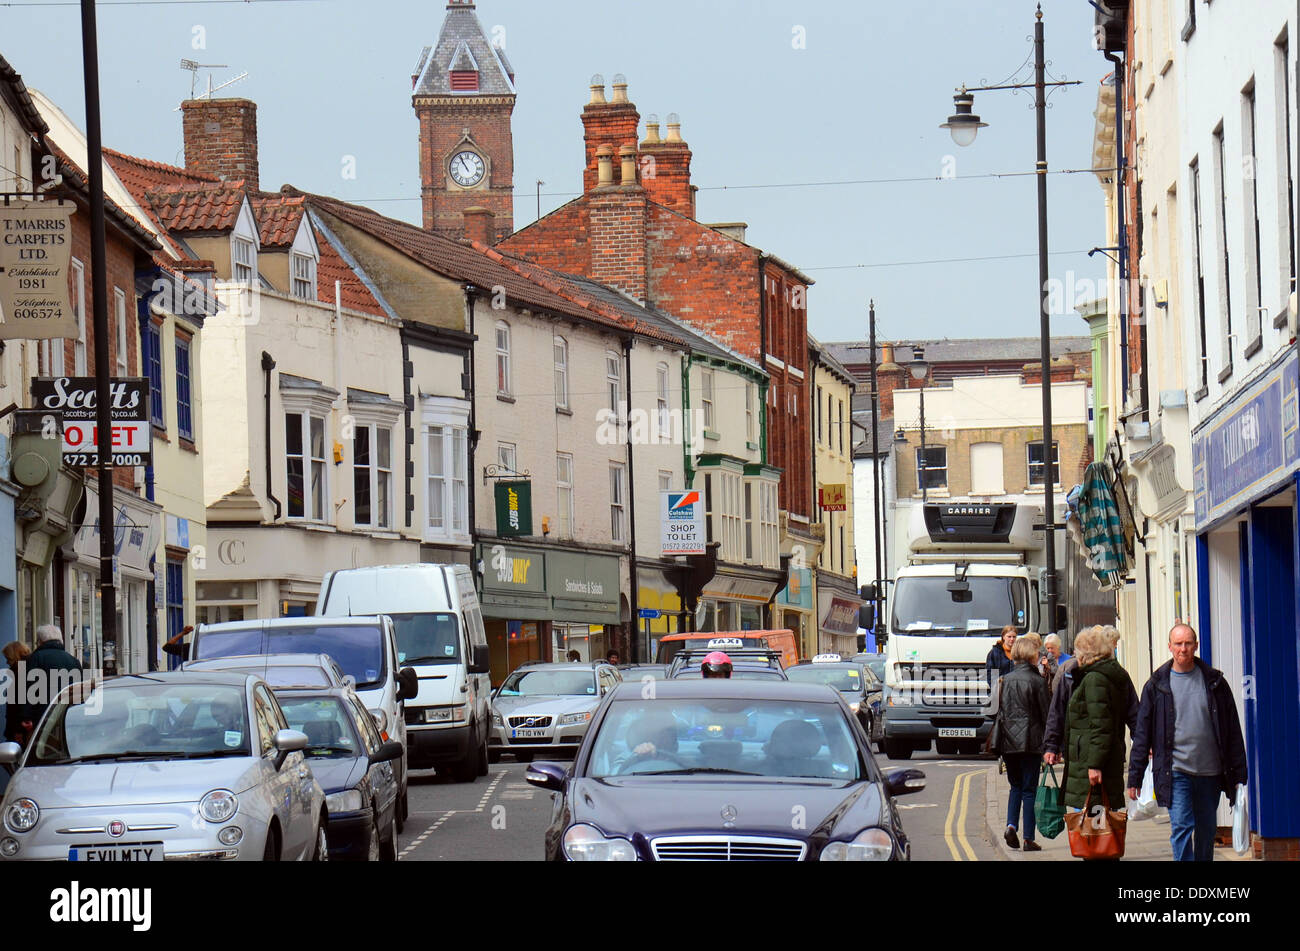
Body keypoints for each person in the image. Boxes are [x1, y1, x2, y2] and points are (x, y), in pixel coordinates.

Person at [1127, 624, 1247, 862]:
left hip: (1210, 772)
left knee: (1206, 831)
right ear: (1170, 647)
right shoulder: (1156, 686)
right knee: (1182, 827)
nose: (1183, 649)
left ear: (1196, 646)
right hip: (1175, 771)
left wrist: (1239, 775)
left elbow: (1232, 729)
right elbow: (1142, 734)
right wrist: (1135, 776)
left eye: (1188, 643)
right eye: (1178, 644)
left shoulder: (1215, 683)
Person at [1061, 629, 1131, 853]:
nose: (1075, 656)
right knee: (1098, 828)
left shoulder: (1094, 680)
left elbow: (1101, 725)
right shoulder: (1103, 676)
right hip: (1096, 762)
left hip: (1092, 767)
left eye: (1077, 651)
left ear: (1086, 653)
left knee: (1096, 834)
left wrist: (1094, 765)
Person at [1043, 625, 1137, 766]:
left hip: (1079, 752)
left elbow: (1056, 713)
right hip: (1108, 751)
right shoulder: (1071, 675)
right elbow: (1134, 713)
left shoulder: (1071, 675)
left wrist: (1052, 745)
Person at [997, 636, 1050, 852]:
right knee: (1029, 790)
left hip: (1009, 742)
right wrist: (1052, 745)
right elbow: (1047, 714)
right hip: (1031, 741)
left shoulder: (1006, 680)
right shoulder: (1037, 681)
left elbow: (1001, 711)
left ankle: (1011, 825)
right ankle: (1028, 838)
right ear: (1031, 655)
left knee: (1015, 787)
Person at [22, 625, 83, 729]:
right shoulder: (73, 661)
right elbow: (80, 693)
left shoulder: (36, 658)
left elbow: (29, 688)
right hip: (67, 716)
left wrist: (26, 716)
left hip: (43, 717)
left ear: (40, 641)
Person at [2, 641, 31, 743]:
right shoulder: (28, 668)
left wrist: (18, 730)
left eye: (8, 659)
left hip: (18, 728)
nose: (7, 662)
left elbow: (18, 704)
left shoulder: (19, 672)